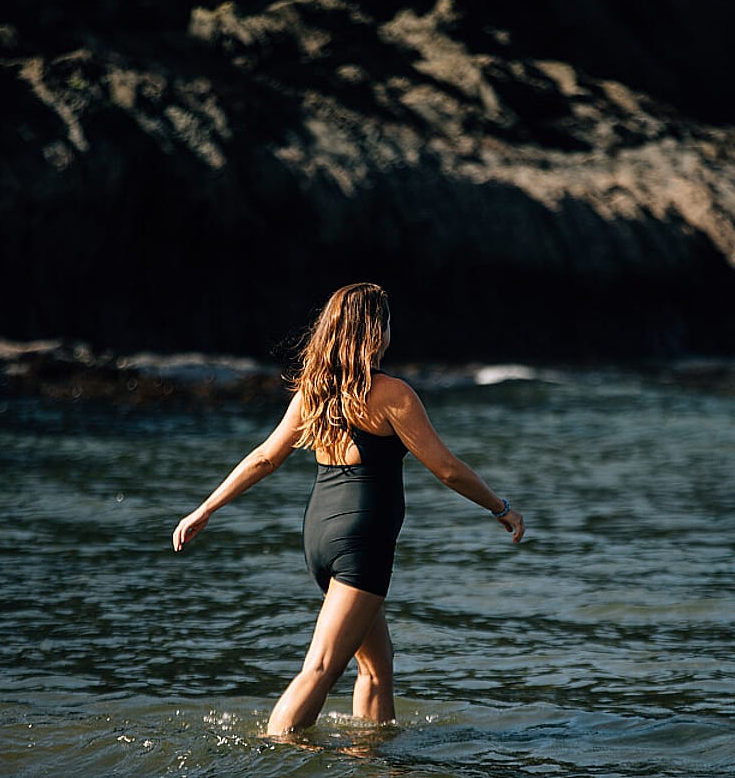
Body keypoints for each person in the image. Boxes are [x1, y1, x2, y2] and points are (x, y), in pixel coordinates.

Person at [171, 282, 525, 736]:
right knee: (319, 668)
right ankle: (272, 756)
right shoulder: (392, 394)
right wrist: (501, 508)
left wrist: (205, 509)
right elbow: (447, 468)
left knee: (378, 666)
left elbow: (264, 457)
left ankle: (369, 757)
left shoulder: (312, 394)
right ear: (375, 332)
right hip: (363, 545)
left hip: (319, 537)